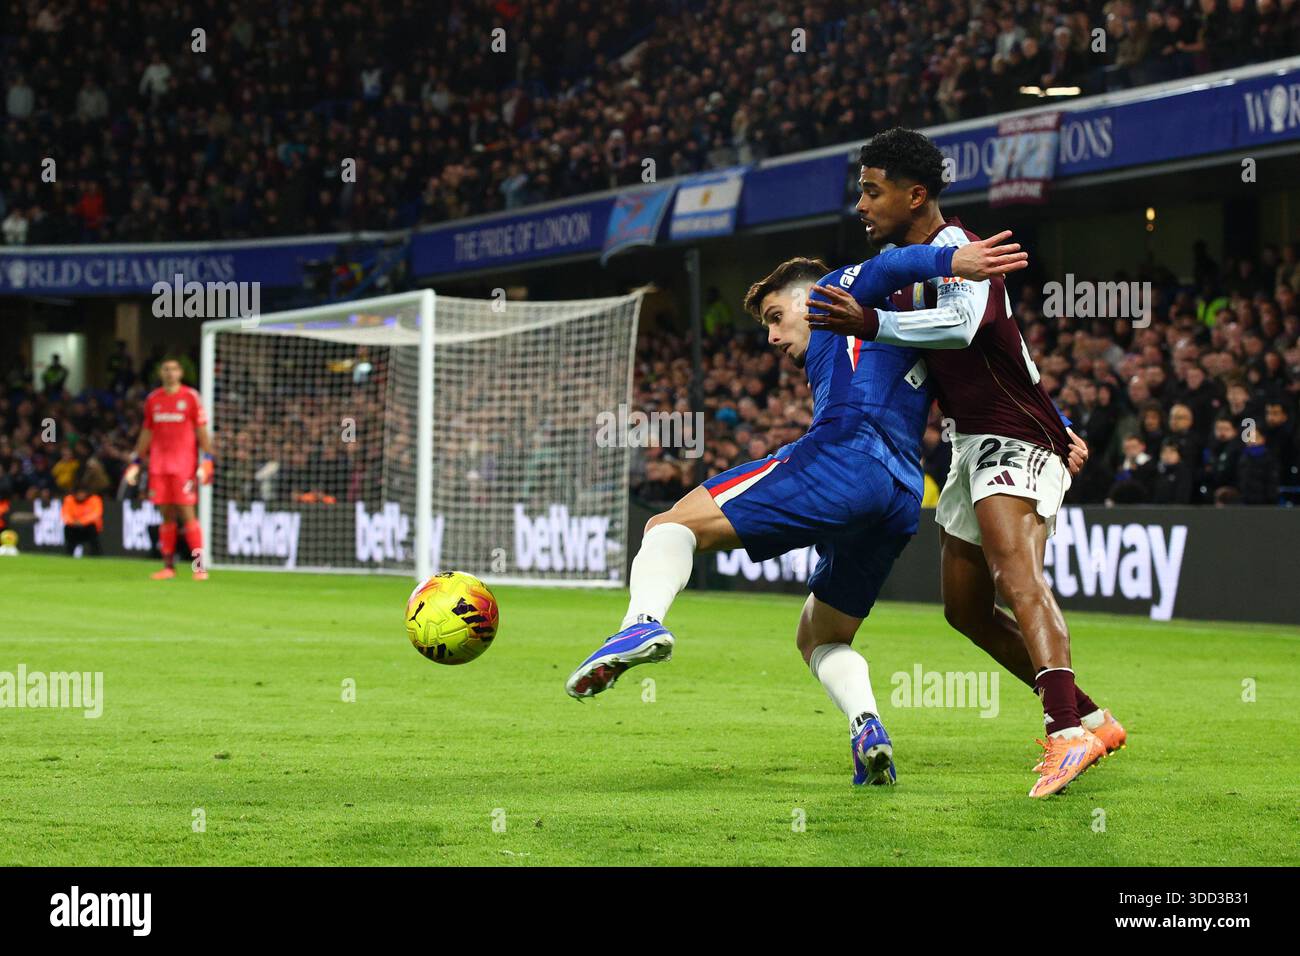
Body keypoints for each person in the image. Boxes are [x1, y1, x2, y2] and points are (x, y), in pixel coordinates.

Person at [565, 231, 1030, 787]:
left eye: (775, 316)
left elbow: (890, 263)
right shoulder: (908, 335)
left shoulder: (836, 292)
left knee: (669, 525)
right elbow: (995, 377)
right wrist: (1059, 426)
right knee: (821, 636)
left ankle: (639, 625)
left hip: (845, 458)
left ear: (810, 299)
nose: (771, 335)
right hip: (901, 496)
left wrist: (952, 257)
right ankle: (867, 728)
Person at [802, 128, 1124, 797]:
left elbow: (964, 328)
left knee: (1016, 572)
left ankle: (1065, 734)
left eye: (872, 190)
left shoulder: (957, 250)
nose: (859, 204)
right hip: (971, 442)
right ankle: (1094, 717)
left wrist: (873, 326)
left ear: (915, 194)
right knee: (966, 611)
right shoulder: (902, 269)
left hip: (1015, 435)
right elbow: (1016, 352)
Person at [126, 356, 215, 580]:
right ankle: (168, 567)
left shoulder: (190, 397)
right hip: (159, 466)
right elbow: (147, 432)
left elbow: (201, 431)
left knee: (187, 513)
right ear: (160, 373)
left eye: (174, 369)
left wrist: (207, 459)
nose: (170, 373)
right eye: (166, 369)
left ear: (180, 373)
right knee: (166, 515)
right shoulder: (153, 399)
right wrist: (137, 461)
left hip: (183, 466)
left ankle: (199, 567)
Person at [61, 485, 103, 556]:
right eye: (79, 493)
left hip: (88, 528)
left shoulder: (94, 499)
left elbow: (96, 514)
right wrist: (73, 522)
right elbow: (65, 514)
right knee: (67, 528)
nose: (81, 495)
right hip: (74, 527)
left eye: (83, 493)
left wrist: (82, 522)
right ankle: (69, 553)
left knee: (92, 528)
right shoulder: (69, 499)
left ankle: (96, 555)